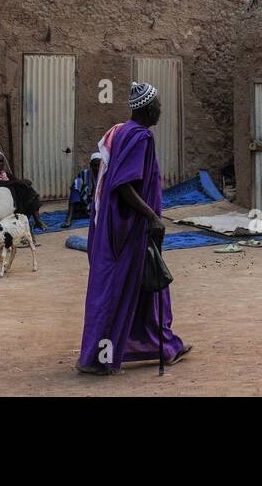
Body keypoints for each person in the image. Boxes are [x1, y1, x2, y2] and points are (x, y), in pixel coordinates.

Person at [78, 81, 189, 375]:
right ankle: (97, 359)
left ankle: (163, 345)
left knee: (144, 289)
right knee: (122, 288)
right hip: (128, 227)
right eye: (159, 105)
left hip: (118, 225)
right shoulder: (140, 138)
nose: (161, 110)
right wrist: (152, 216)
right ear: (148, 107)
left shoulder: (121, 131)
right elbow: (123, 184)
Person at [0, 150, 44, 228]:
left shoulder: (6, 175)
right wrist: (15, 182)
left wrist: (23, 182)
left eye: (1, 161)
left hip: (13, 202)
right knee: (11, 187)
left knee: (26, 189)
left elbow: (16, 181)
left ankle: (37, 220)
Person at [62, 152, 100, 228]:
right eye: (94, 165)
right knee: (75, 187)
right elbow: (76, 185)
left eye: (99, 165)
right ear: (90, 165)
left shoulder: (105, 175)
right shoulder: (85, 174)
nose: (97, 168)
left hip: (99, 203)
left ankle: (85, 212)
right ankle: (69, 217)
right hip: (86, 201)